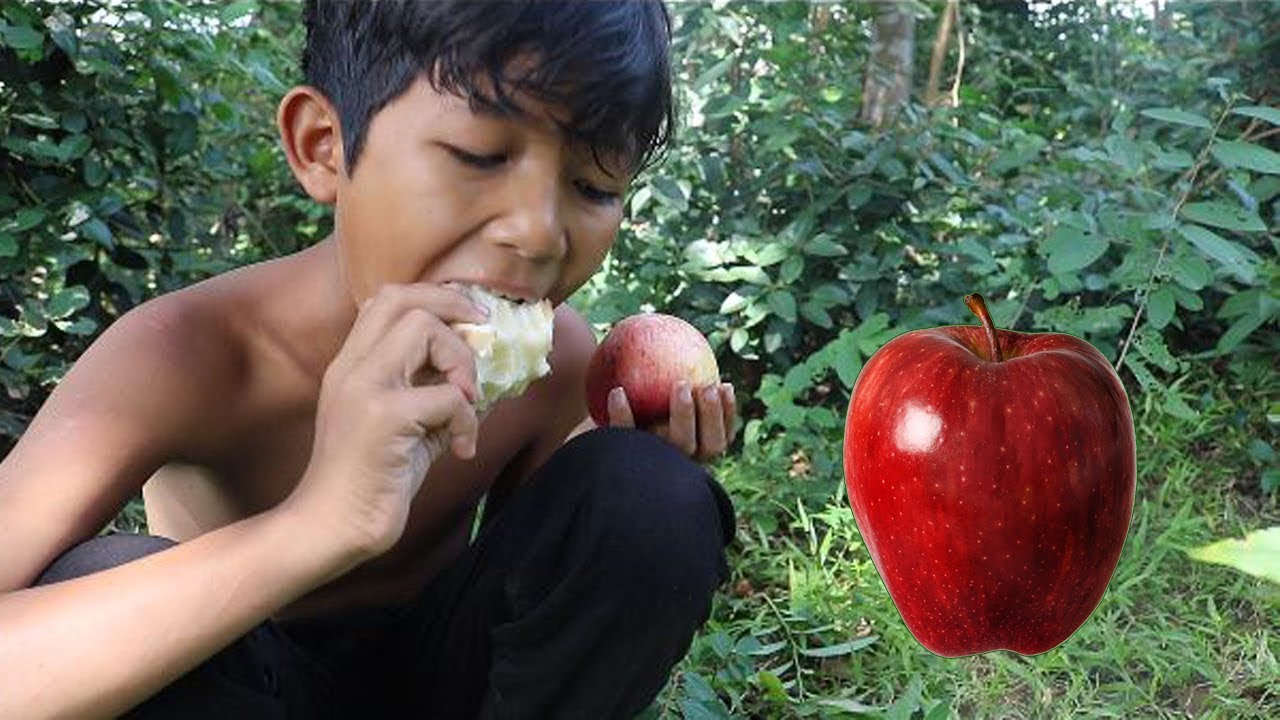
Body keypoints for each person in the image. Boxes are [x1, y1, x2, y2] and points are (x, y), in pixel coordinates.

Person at [0, 1, 738, 717]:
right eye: (479, 156)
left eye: (593, 186)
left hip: (440, 681)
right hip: (243, 677)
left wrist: (625, 494)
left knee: (645, 493)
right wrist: (318, 522)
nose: (539, 233)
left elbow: (535, 615)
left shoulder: (558, 366)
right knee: (106, 582)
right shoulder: (184, 355)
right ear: (323, 145)